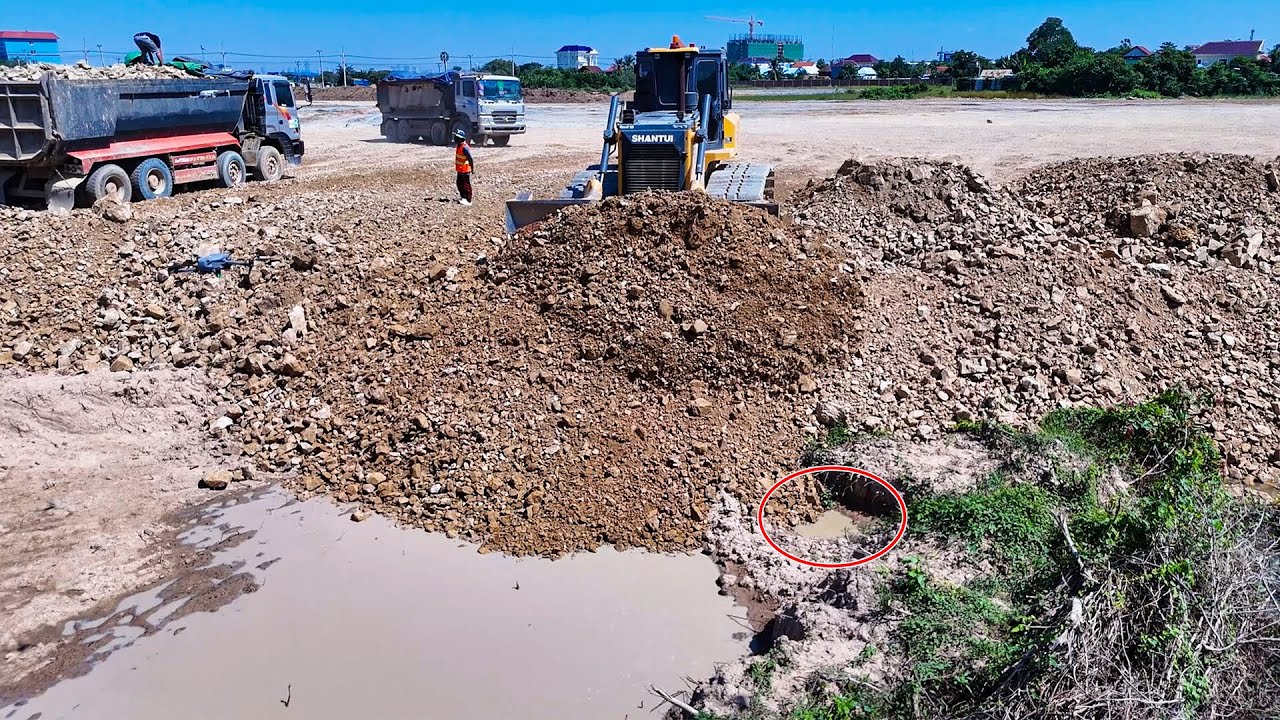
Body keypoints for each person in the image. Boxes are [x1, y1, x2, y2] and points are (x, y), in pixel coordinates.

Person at [453, 129, 474, 206]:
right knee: (459, 184)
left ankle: (468, 200)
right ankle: (463, 197)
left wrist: (472, 169)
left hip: (465, 170)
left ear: (460, 138)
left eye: (456, 137)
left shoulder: (464, 147)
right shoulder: (459, 146)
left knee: (466, 185)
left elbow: (470, 158)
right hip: (460, 170)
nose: (454, 138)